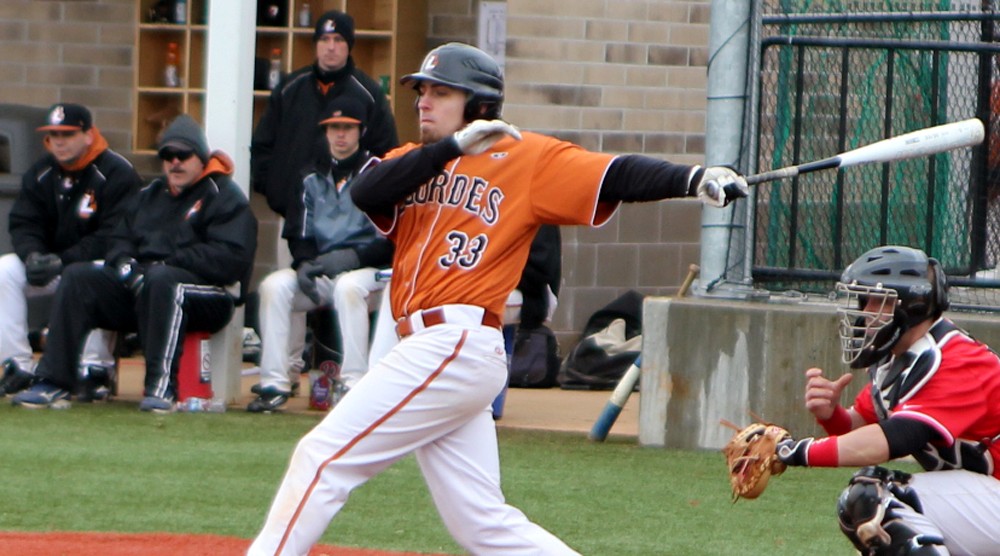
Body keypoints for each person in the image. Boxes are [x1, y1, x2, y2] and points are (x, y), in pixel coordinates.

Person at [246, 42, 747, 555]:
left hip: (454, 341)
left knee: (323, 458)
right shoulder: (415, 160)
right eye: (422, 91)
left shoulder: (526, 156)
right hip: (435, 348)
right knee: (482, 523)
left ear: (480, 103)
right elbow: (366, 192)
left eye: (440, 92)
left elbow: (613, 171)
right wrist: (450, 148)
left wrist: (692, 178)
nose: (423, 101)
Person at [11, 115, 257, 413]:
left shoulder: (223, 196)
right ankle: (53, 381)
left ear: (201, 158)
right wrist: (127, 267)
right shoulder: (148, 196)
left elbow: (229, 259)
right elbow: (119, 240)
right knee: (79, 277)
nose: (174, 163)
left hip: (210, 295)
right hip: (147, 288)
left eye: (183, 155)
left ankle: (161, 388)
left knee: (164, 280)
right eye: (167, 156)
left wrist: (163, 264)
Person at [773, 245, 1000, 555]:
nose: (864, 312)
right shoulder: (902, 359)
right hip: (989, 498)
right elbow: (859, 428)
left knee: (875, 500)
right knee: (875, 520)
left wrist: (797, 450)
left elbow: (893, 439)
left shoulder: (956, 360)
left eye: (875, 301)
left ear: (910, 305)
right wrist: (831, 415)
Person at [248, 97, 392, 413]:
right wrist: (305, 266)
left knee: (349, 287)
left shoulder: (377, 172)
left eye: (348, 128)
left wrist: (352, 258)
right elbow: (300, 234)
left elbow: (391, 241)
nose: (341, 135)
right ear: (325, 132)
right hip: (324, 270)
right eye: (334, 128)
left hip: (371, 273)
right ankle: (275, 382)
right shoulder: (310, 175)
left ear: (360, 131)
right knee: (274, 286)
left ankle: (354, 382)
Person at [0, 103, 141, 400]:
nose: (59, 142)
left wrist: (63, 260)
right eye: (53, 134)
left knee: (88, 276)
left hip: (97, 264)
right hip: (52, 264)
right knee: (5, 271)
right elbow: (25, 223)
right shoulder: (41, 172)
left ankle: (95, 370)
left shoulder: (116, 172)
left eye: (68, 134)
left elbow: (115, 235)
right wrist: (32, 256)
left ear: (89, 135)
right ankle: (18, 366)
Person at [251, 9, 399, 219]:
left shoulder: (368, 94)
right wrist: (273, 187)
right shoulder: (290, 88)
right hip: (292, 213)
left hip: (348, 217)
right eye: (324, 39)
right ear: (316, 44)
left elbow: (385, 153)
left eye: (338, 40)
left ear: (349, 45)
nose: (331, 47)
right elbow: (263, 143)